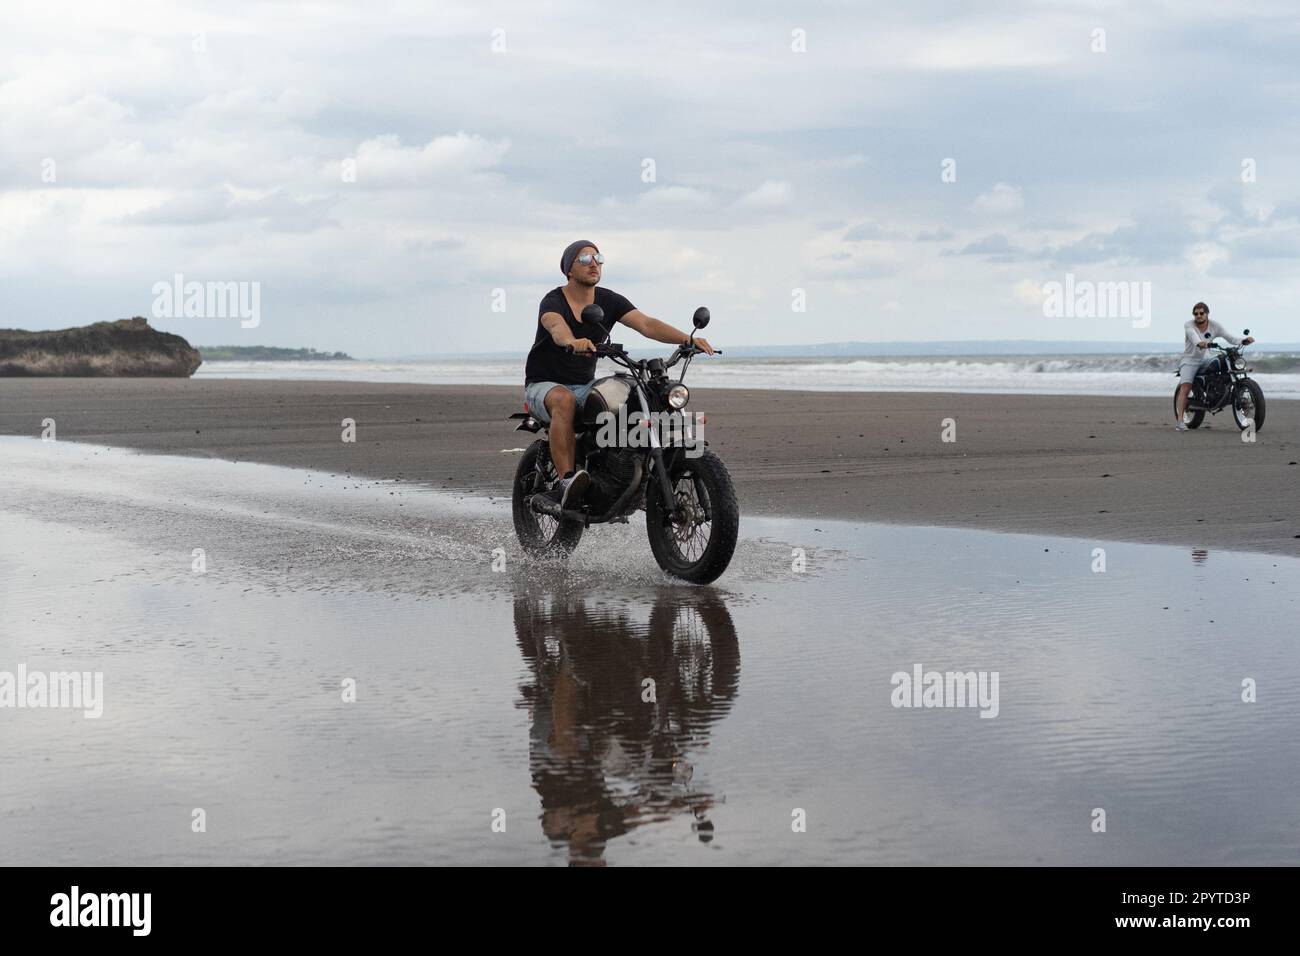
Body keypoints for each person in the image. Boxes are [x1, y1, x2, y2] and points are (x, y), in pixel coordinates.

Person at [524, 240, 715, 507]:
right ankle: (567, 481)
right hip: (545, 385)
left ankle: (623, 472)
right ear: (569, 269)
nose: (594, 263)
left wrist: (687, 339)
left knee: (629, 397)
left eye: (598, 258)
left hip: (584, 384)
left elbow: (647, 324)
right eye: (585, 258)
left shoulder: (609, 300)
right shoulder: (554, 300)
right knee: (563, 400)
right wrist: (571, 341)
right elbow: (555, 326)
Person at [1174, 302, 1253, 430]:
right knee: (1186, 387)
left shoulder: (1215, 326)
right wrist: (1200, 343)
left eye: (1201, 313)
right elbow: (1193, 337)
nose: (1198, 316)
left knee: (1224, 362)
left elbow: (1230, 338)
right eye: (1196, 313)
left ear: (1207, 314)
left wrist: (1243, 341)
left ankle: (1218, 392)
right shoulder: (1189, 325)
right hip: (1190, 360)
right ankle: (1180, 421)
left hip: (1206, 357)